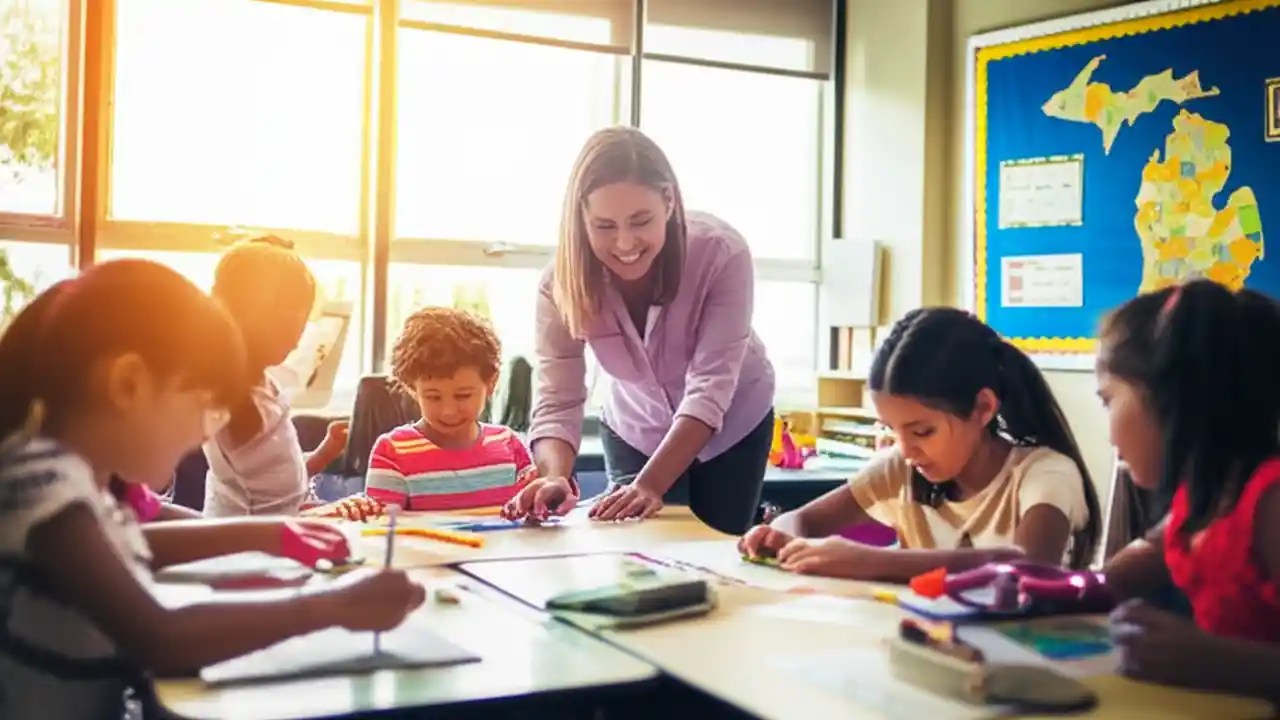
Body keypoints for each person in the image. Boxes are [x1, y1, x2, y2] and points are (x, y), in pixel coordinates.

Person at [0, 260, 424, 720]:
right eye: (205, 408)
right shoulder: (42, 483)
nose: (203, 433)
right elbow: (160, 638)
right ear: (128, 384)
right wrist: (328, 607)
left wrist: (270, 532)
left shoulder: (76, 483)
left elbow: (130, 543)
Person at [506, 126, 776, 534]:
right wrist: (553, 475)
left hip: (733, 423)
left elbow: (709, 387)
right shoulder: (558, 284)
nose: (625, 243)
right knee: (637, 549)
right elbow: (558, 400)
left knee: (714, 551)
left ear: (668, 201)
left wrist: (650, 486)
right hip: (636, 427)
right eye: (605, 226)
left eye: (640, 221)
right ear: (581, 217)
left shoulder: (722, 253)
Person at [739, 307, 1100, 581]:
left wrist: (872, 561)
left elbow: (1030, 564)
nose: (906, 450)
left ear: (983, 408)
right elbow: (800, 519)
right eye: (892, 431)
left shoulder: (1044, 473)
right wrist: (779, 537)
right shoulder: (903, 468)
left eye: (922, 431)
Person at [1099, 281, 1280, 702]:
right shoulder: (1200, 501)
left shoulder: (1269, 502)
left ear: (1166, 398)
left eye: (1108, 400)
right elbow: (1114, 578)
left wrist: (1218, 660)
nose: (1109, 434)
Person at [323, 307, 537, 517]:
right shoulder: (393, 452)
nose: (449, 411)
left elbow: (537, 508)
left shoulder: (509, 444)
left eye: (463, 395)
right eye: (433, 397)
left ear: (491, 383)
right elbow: (383, 531)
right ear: (412, 388)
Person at [203, 236, 348, 517]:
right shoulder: (224, 400)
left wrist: (324, 453)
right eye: (287, 329)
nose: (296, 342)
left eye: (302, 326)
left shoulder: (267, 388)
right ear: (248, 318)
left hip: (276, 536)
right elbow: (265, 504)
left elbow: (279, 485)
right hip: (237, 549)